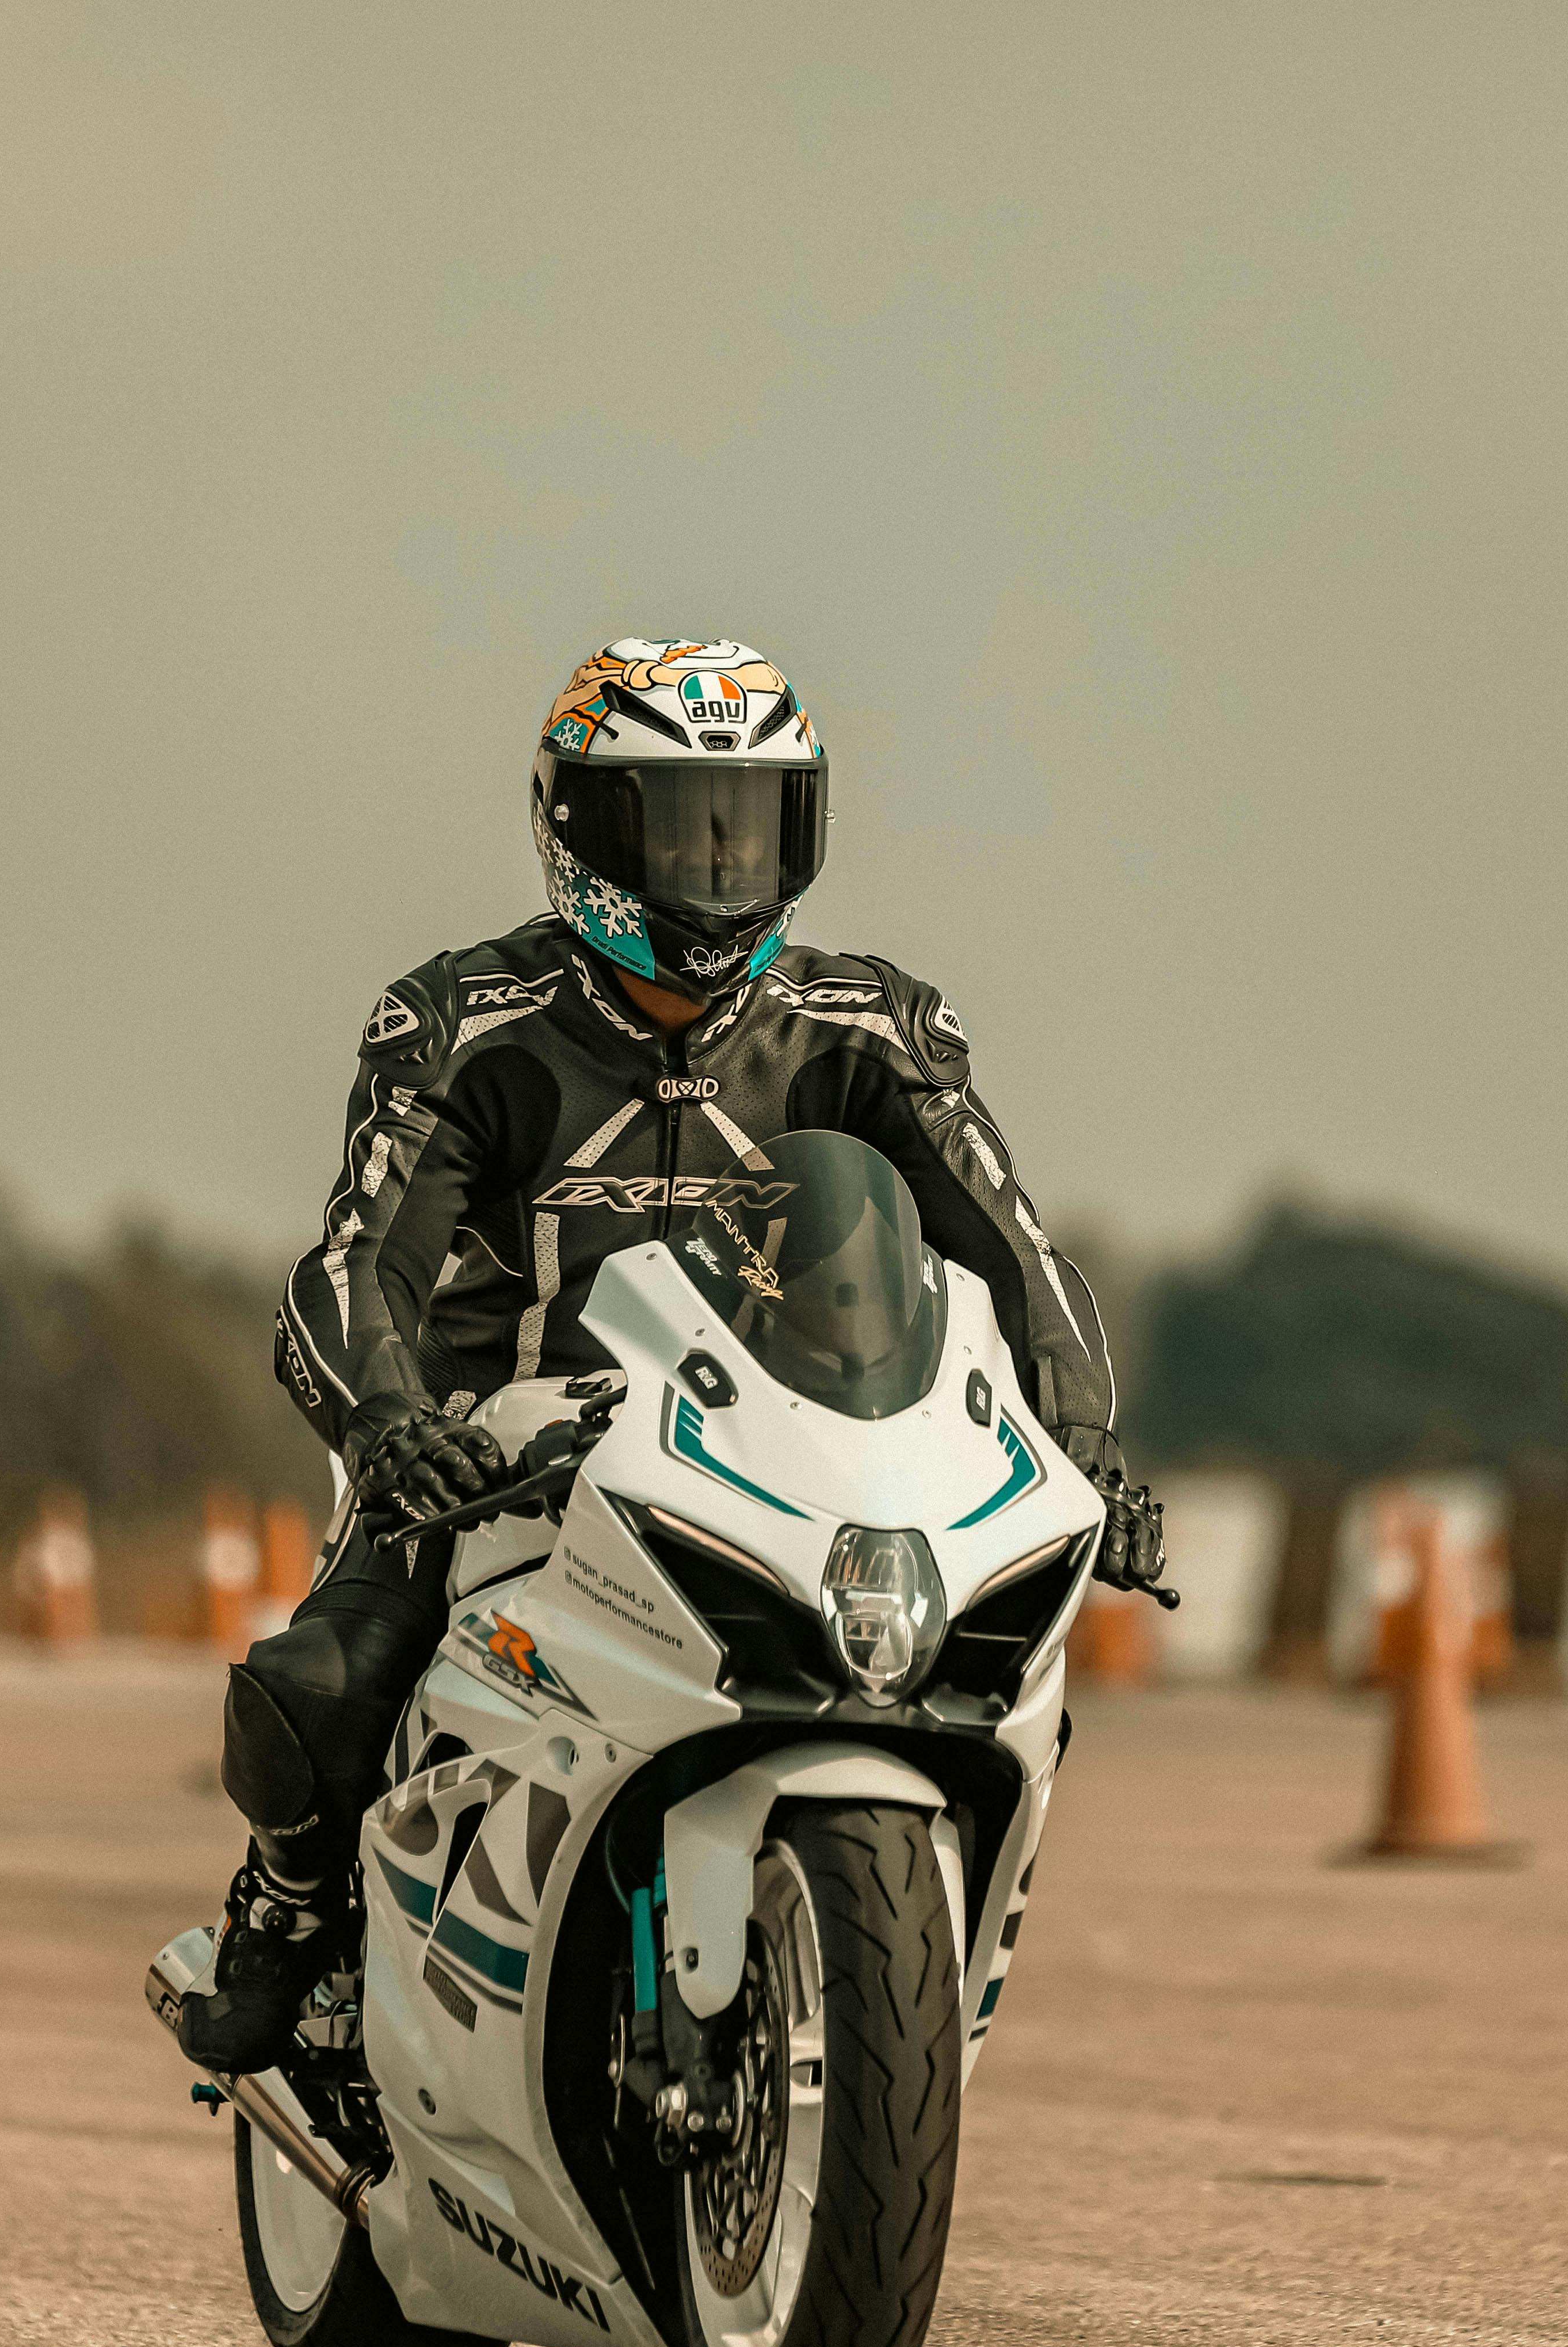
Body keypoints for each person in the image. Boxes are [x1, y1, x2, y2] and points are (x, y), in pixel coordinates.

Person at [173, 638, 1169, 2074]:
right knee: (323, 1684)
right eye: (677, 825)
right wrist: (393, 1425)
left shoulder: (873, 1031)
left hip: (781, 1444)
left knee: (989, 1659)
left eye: (749, 826)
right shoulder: (463, 1028)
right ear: (579, 830)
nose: (717, 870)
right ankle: (286, 1903)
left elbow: (1021, 1260)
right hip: (502, 1457)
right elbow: (354, 1265)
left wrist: (1086, 1454)